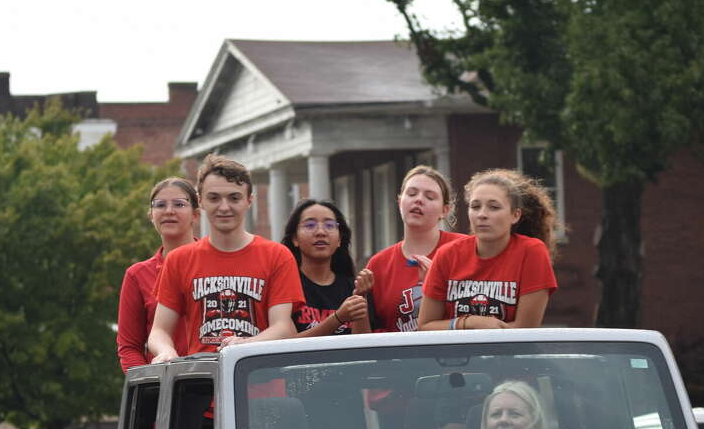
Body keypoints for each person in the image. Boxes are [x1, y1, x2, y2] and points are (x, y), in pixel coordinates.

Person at [148, 155, 304, 362]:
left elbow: (283, 327)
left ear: (249, 201)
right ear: (201, 201)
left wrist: (244, 346)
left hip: (262, 384)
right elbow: (159, 331)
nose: (224, 207)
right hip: (203, 385)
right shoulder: (179, 259)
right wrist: (166, 351)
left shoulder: (277, 256)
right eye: (214, 198)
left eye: (234, 198)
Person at [418, 169, 559, 330]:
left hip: (510, 354)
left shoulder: (532, 252)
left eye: (494, 207)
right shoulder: (447, 255)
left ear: (515, 215)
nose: (482, 214)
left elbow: (524, 330)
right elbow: (425, 326)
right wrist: (469, 322)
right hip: (457, 355)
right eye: (475, 206)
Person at [357, 165, 467, 333]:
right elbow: (365, 338)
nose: (419, 200)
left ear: (445, 210)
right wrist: (359, 297)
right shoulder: (378, 264)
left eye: (430, 197)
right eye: (411, 193)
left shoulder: (464, 249)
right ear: (400, 201)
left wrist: (438, 284)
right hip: (399, 358)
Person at [116, 177, 201, 371]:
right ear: (151, 215)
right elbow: (129, 348)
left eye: (179, 204)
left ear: (195, 215)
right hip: (164, 386)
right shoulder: (137, 275)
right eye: (160, 205)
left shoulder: (215, 264)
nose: (169, 211)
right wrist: (150, 384)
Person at [282, 199, 371, 336]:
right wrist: (337, 318)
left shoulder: (352, 286)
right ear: (295, 238)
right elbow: (284, 345)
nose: (321, 232)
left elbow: (364, 345)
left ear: (340, 239)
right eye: (310, 225)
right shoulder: (285, 285)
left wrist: (360, 297)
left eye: (329, 225)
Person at [478, 381, 609, 429]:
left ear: (536, 427)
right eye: (496, 414)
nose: (504, 420)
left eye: (514, 414)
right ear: (486, 428)